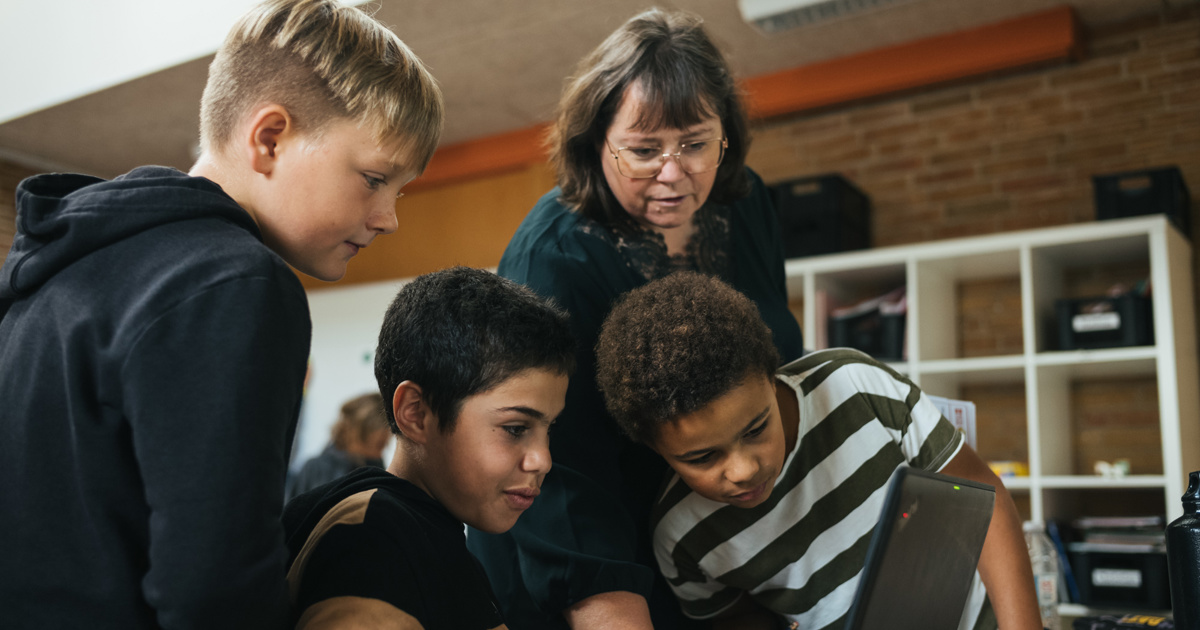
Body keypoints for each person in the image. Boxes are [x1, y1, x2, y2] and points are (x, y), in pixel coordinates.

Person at [0, 1, 443, 627]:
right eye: (374, 178)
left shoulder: (62, 269)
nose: (388, 218)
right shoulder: (233, 281)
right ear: (270, 139)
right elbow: (213, 584)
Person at [466, 8, 803, 629]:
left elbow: (776, 362)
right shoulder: (554, 259)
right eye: (644, 152)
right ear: (597, 145)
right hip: (591, 560)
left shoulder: (746, 201)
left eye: (696, 144)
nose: (674, 175)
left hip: (716, 544)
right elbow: (558, 473)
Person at [593, 272, 1043, 630]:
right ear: (655, 449)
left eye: (756, 429)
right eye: (702, 458)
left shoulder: (853, 385)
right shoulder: (679, 537)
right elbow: (731, 616)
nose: (744, 469)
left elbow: (980, 491)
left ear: (772, 379)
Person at [282, 266, 575, 629]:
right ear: (417, 414)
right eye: (515, 428)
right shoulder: (374, 541)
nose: (542, 460)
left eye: (549, 429)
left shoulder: (434, 539)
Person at [286, 392, 392, 502]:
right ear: (356, 434)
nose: (380, 454)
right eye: (380, 444)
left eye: (385, 445)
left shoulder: (378, 473)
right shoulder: (315, 469)